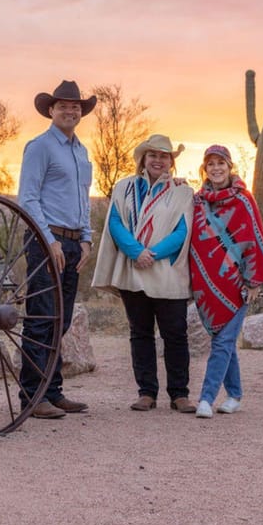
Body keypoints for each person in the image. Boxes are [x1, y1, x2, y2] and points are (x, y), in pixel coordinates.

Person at [92, 134, 196, 413]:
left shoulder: (183, 192)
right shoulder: (124, 187)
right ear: (143, 159)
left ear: (171, 162)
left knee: (175, 333)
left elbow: (183, 230)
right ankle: (146, 392)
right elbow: (115, 222)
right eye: (153, 155)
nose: (158, 161)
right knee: (140, 333)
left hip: (167, 272)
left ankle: (179, 393)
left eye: (164, 156)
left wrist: (153, 254)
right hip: (133, 268)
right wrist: (136, 251)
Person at [17, 79, 95, 419]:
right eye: (63, 105)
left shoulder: (81, 151)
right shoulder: (39, 147)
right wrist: (48, 240)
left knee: (59, 321)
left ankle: (53, 390)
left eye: (75, 106)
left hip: (74, 242)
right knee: (40, 318)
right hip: (45, 240)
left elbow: (83, 198)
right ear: (51, 110)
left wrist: (87, 238)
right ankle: (32, 397)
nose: (70, 110)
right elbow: (28, 198)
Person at [189, 145, 263, 418]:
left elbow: (254, 241)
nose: (216, 168)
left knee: (223, 341)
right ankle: (235, 394)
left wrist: (253, 282)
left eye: (220, 163)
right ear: (205, 168)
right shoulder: (198, 201)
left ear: (229, 166)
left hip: (238, 284)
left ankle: (206, 398)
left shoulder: (243, 200)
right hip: (207, 284)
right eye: (210, 164)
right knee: (223, 341)